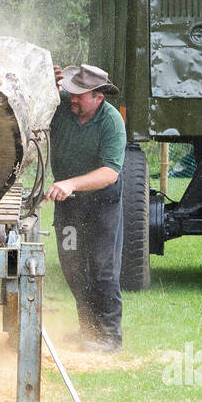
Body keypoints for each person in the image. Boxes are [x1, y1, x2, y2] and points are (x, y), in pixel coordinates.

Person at [46, 63, 126, 353]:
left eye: (80, 95)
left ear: (98, 98)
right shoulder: (62, 110)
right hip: (69, 206)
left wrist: (70, 184)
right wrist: (45, 80)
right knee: (73, 267)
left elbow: (110, 173)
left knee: (103, 269)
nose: (73, 99)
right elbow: (39, 104)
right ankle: (88, 330)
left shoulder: (111, 121)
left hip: (102, 203)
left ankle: (110, 337)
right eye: (71, 92)